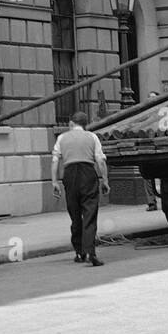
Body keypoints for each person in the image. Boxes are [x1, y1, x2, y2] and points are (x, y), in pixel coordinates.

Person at [52, 110, 110, 267]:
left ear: (72, 122)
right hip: (87, 173)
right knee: (90, 214)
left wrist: (55, 181)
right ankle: (91, 251)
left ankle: (79, 252)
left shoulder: (62, 138)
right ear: (85, 124)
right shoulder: (92, 137)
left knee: (75, 215)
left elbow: (55, 160)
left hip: (69, 175)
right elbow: (100, 160)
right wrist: (104, 180)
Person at [142, 92, 161, 210]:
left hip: (162, 147)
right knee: (147, 176)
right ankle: (151, 203)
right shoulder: (144, 114)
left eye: (154, 98)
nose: (151, 100)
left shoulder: (163, 113)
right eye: (149, 98)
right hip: (148, 148)